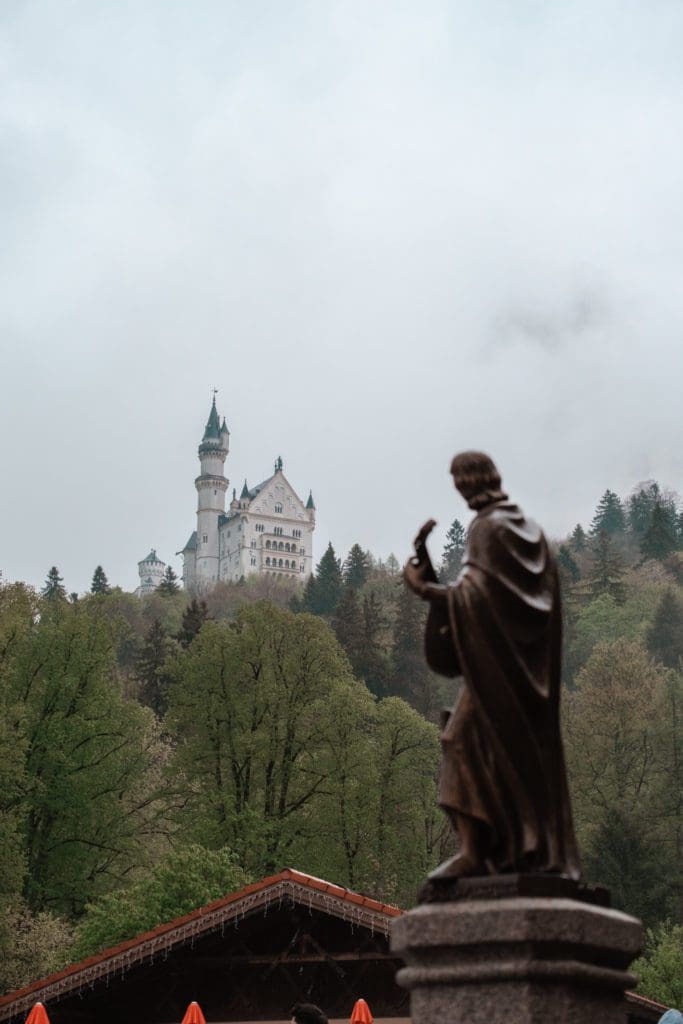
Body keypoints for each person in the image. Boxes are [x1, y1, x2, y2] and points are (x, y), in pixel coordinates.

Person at [404, 450, 580, 879]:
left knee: (459, 741)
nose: (461, 492)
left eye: (461, 483)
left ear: (473, 481)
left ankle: (474, 851)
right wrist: (437, 584)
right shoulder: (529, 530)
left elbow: (480, 598)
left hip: (500, 676)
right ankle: (498, 849)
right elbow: (494, 598)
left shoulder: (489, 528)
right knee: (486, 751)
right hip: (522, 674)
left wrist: (425, 590)